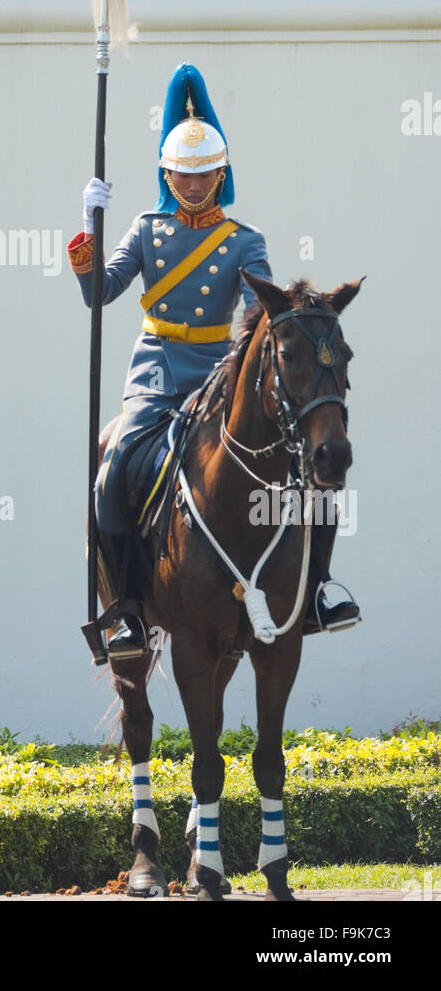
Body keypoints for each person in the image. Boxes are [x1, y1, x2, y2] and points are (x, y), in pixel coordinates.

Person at [68, 62, 359, 659]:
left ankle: (318, 589)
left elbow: (261, 316)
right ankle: (127, 610)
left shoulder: (244, 239)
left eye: (205, 175)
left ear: (222, 174)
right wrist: (87, 240)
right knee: (113, 468)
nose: (195, 185)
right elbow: (101, 292)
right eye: (184, 175)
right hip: (155, 371)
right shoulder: (146, 230)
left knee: (306, 473)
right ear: (167, 175)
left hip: (218, 374)